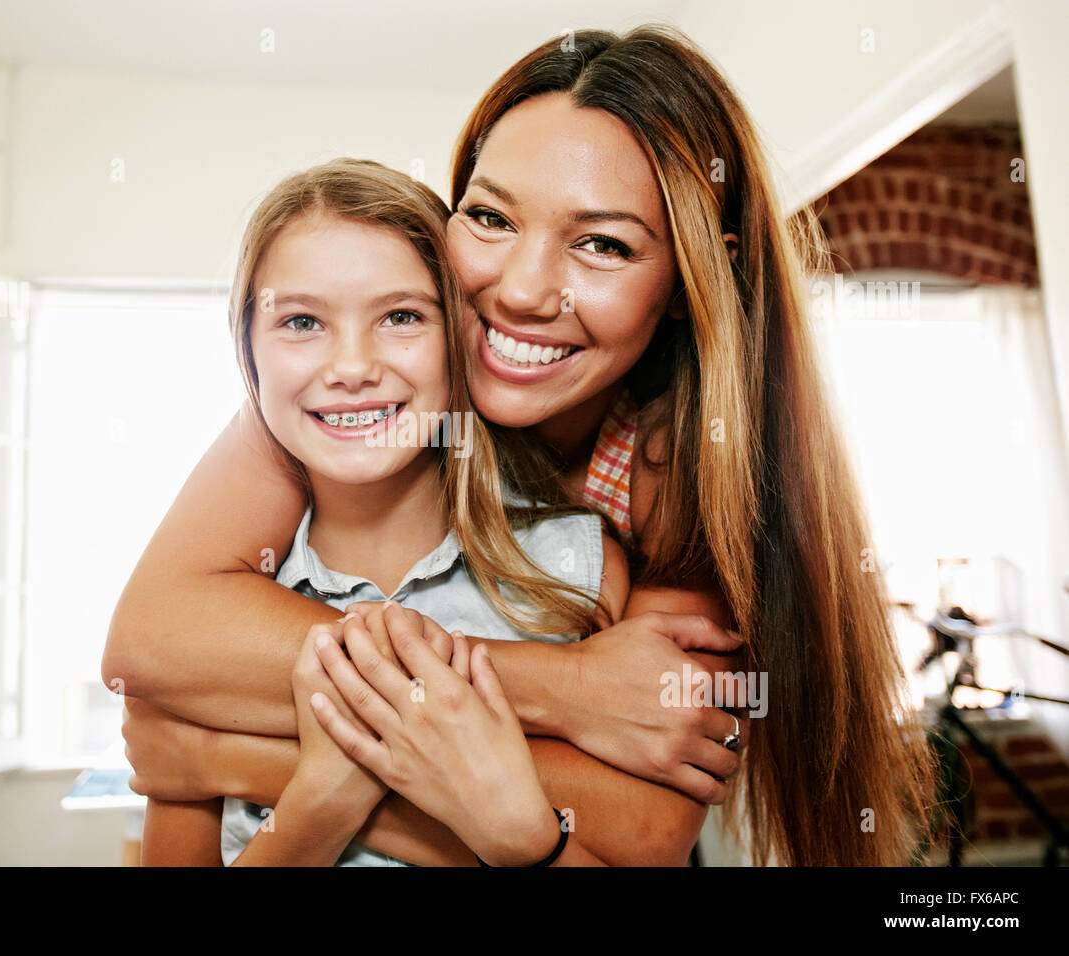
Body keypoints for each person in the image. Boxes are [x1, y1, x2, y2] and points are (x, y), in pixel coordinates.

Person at [108, 24, 935, 866]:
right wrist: (567, 691)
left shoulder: (677, 475)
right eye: (492, 217)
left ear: (693, 281)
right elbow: (154, 638)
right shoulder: (367, 395)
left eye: (603, 244)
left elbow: (641, 825)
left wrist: (225, 757)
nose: (524, 291)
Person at [142, 158, 639, 865]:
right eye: (302, 320)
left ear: (463, 339)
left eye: (401, 317)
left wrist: (513, 835)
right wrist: (321, 801)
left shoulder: (577, 576)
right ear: (246, 350)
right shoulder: (208, 644)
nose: (351, 366)